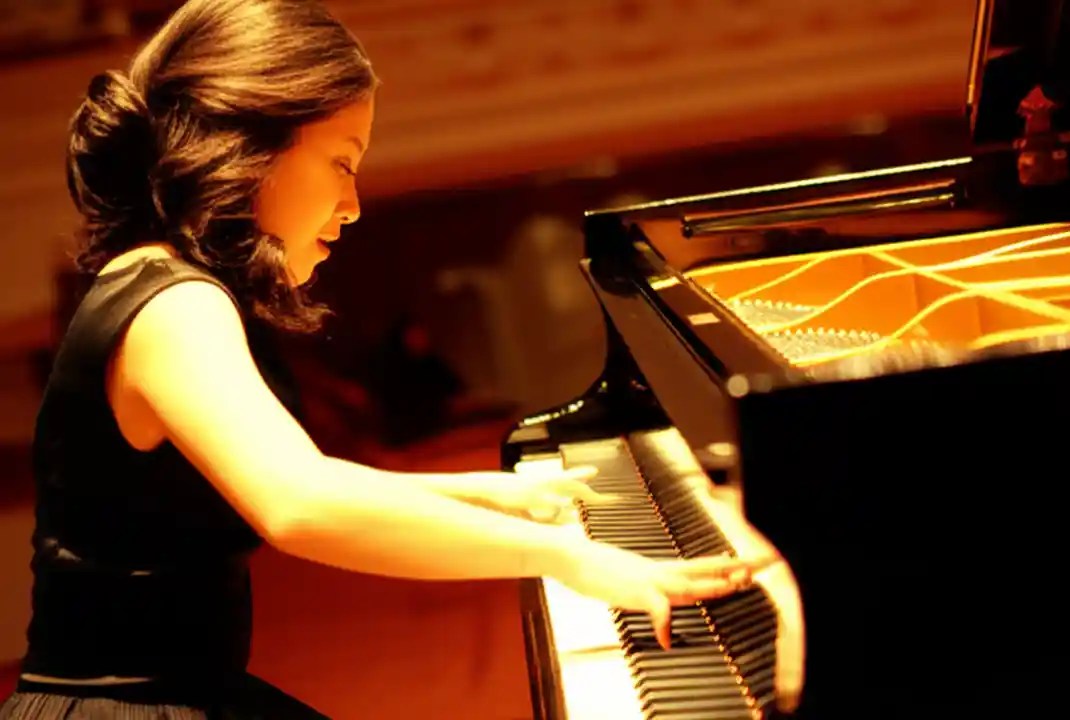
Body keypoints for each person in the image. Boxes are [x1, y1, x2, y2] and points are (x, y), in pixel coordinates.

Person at [0, 1, 775, 717]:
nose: (354, 205)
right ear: (250, 147)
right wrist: (563, 557)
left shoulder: (158, 280)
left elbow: (304, 477)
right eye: (343, 162)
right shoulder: (174, 302)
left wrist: (487, 494)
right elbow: (301, 504)